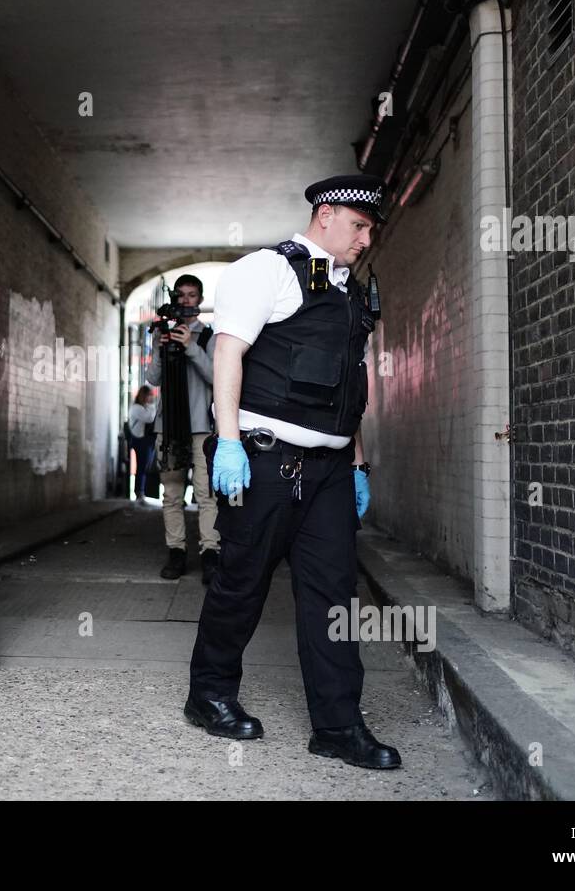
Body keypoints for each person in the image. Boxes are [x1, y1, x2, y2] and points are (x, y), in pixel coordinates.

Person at [183, 175, 400, 770]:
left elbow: (346, 387)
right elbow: (227, 351)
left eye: (371, 229)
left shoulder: (350, 293)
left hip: (329, 470)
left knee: (334, 596)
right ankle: (209, 693)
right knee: (241, 581)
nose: (366, 238)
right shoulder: (267, 270)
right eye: (359, 226)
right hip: (265, 461)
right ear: (326, 216)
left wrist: (355, 463)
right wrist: (228, 443)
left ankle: (337, 725)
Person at [144, 275, 220, 583]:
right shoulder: (161, 332)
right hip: (169, 427)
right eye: (181, 295)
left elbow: (216, 376)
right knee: (172, 494)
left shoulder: (210, 336)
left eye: (192, 295)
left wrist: (189, 346)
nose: (186, 300)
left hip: (201, 427)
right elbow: (153, 379)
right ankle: (176, 552)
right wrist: (162, 350)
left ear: (200, 301)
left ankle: (210, 554)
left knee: (206, 494)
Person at [127, 385, 158, 500]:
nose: (151, 397)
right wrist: (152, 406)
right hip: (139, 439)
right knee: (142, 465)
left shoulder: (142, 407)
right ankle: (139, 491)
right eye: (149, 395)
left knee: (145, 465)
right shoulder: (137, 408)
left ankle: (141, 490)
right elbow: (149, 418)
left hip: (144, 439)